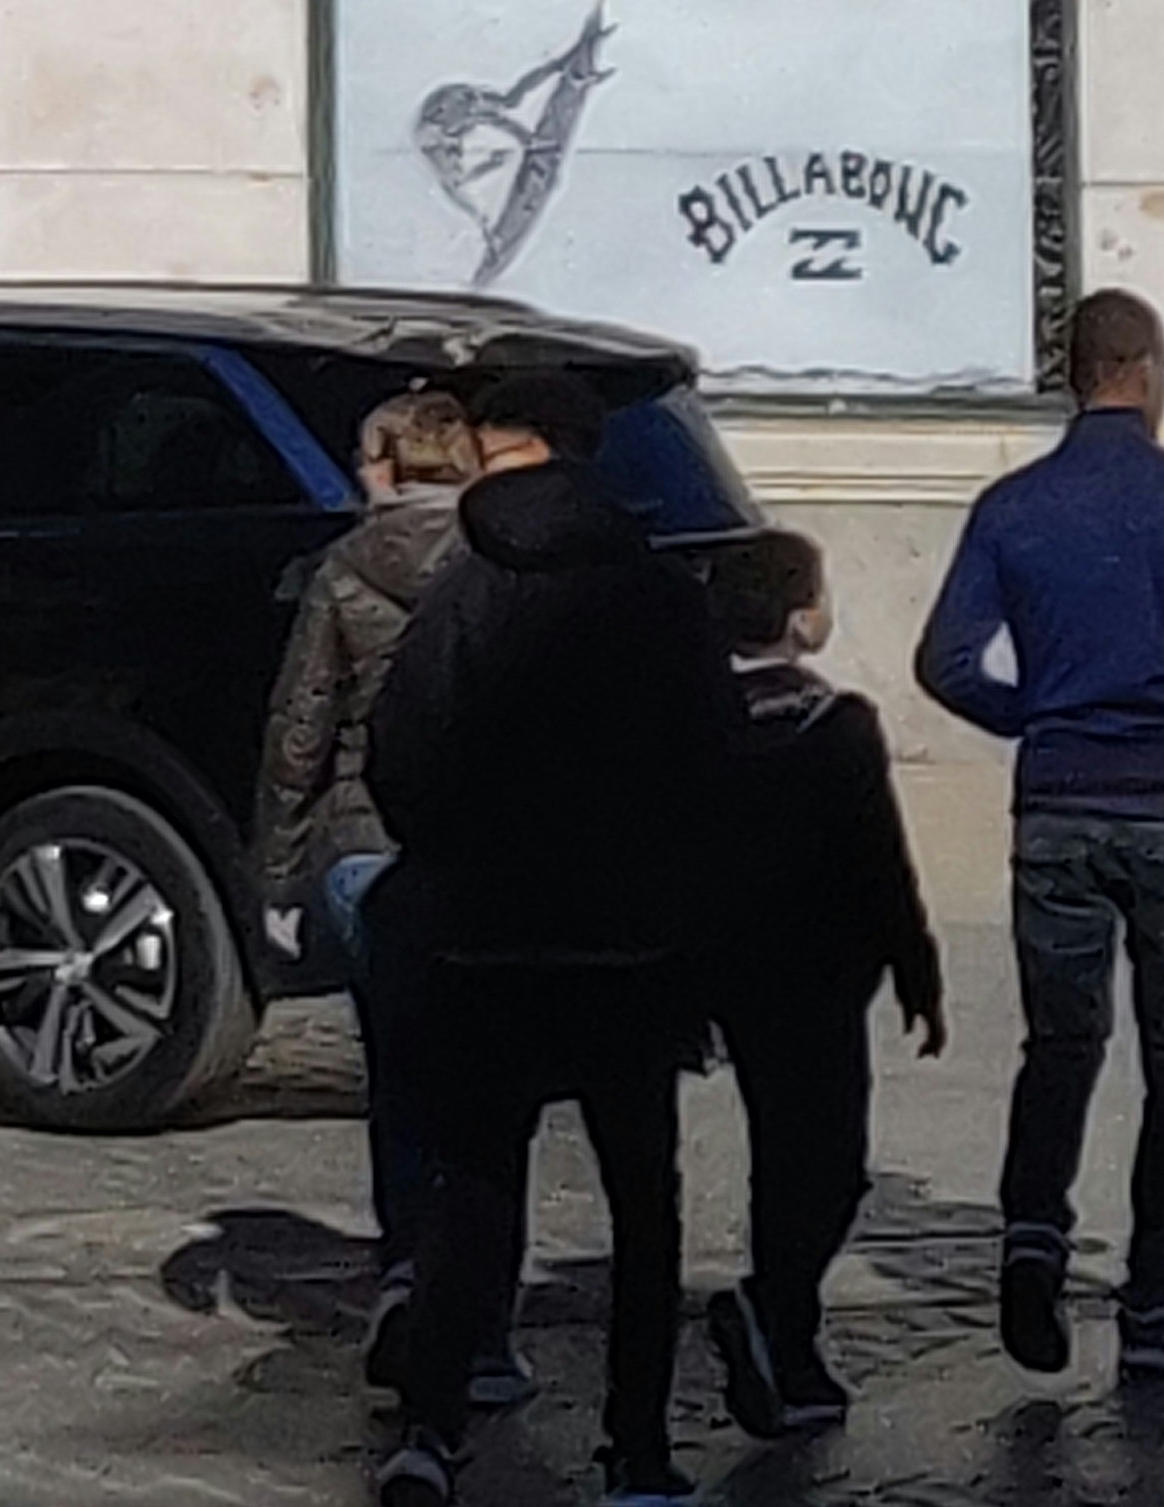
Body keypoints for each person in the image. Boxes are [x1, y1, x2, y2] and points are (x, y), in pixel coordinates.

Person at [362, 362, 734, 1507]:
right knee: (643, 1200)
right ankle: (637, 1448)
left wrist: (455, 863)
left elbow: (402, 759)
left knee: (470, 1185)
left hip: (483, 933)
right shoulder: (661, 592)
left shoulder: (463, 587)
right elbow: (712, 767)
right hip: (628, 941)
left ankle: (430, 1429)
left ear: (489, 446)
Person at [916, 288, 1164, 1385]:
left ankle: (1034, 1236)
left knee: (1060, 1047)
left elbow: (946, 664)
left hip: (1058, 808)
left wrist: (1034, 720)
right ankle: (1152, 1299)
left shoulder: (1012, 508)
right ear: (1145, 369)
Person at [701, 527, 945, 1444]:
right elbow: (882, 857)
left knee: (782, 1150)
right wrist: (917, 967)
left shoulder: (697, 718)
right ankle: (777, 1313)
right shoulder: (837, 724)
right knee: (830, 1162)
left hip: (731, 967)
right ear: (805, 619)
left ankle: (782, 1327)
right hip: (821, 974)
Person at [253, 388, 483, 1313]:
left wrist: (275, 871)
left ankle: (404, 1263)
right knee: (476, 1078)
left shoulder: (344, 565)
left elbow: (300, 726)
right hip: (470, 847)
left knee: (395, 1066)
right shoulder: (495, 561)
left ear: (388, 465)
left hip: (359, 842)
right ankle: (474, 1285)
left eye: (362, 455)